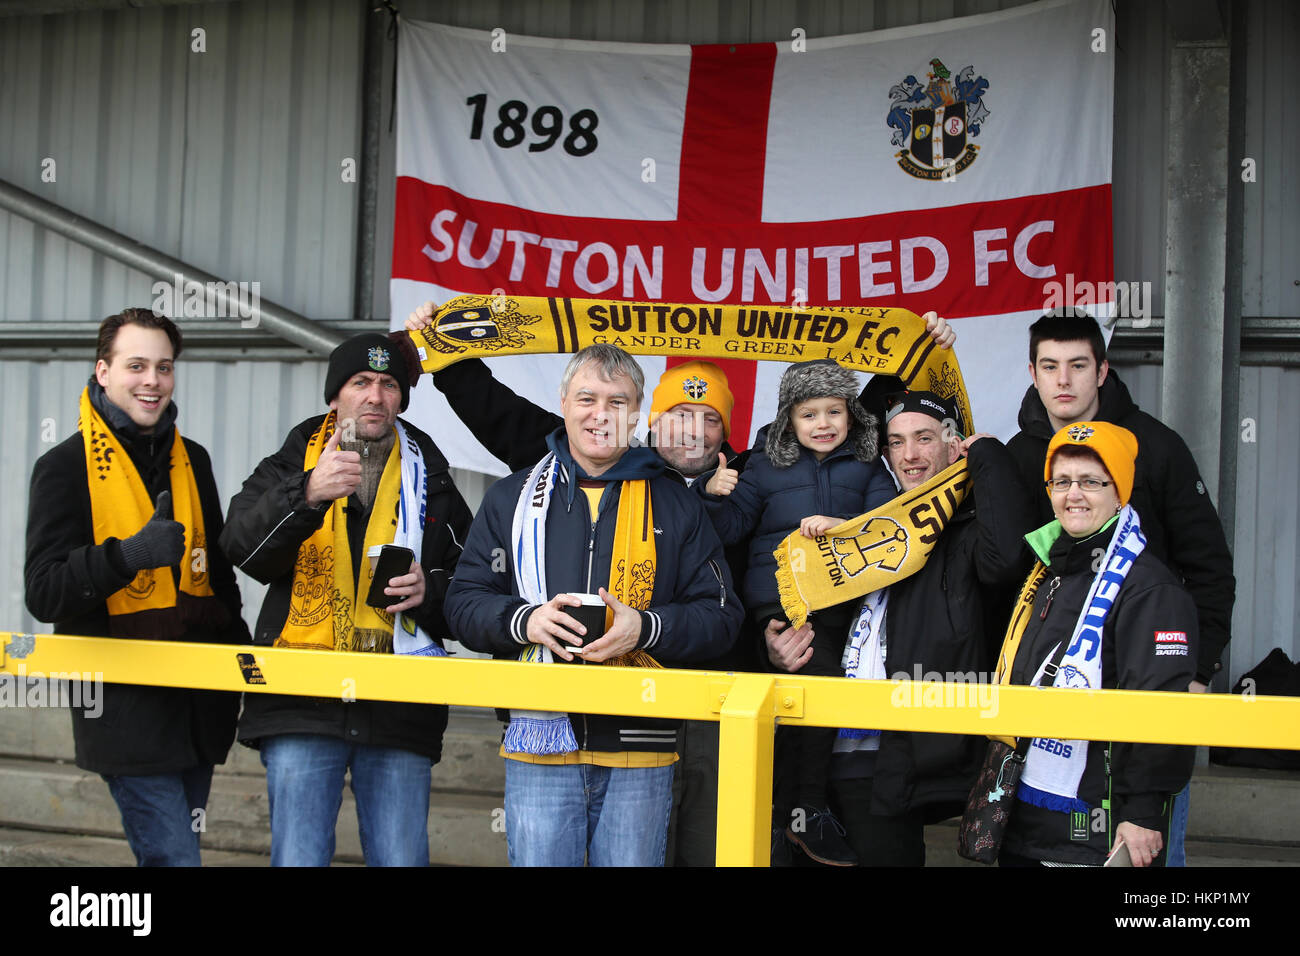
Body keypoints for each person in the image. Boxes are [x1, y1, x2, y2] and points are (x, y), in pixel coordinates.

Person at [406, 302, 748, 867]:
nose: (600, 415)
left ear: (637, 415)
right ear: (563, 405)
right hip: (538, 741)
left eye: (618, 402)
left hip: (644, 745)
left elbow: (721, 616)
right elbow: (464, 602)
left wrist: (646, 628)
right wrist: (525, 620)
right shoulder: (511, 497)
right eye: (587, 399)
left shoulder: (678, 505)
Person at [219, 333, 472, 866]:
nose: (375, 396)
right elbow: (241, 548)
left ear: (401, 397)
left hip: (400, 703)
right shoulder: (291, 463)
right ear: (334, 397)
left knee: (401, 859)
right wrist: (306, 494)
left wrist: (431, 591)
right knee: (300, 858)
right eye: (361, 382)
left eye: (388, 384)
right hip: (300, 701)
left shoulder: (432, 474)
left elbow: (473, 587)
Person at [767, 388, 1036, 865]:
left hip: (891, 757)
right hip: (819, 749)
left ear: (954, 447)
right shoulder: (865, 522)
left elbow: (1007, 560)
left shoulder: (967, 534)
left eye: (925, 438)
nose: (910, 455)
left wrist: (989, 456)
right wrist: (778, 646)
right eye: (896, 441)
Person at [1006, 308, 1235, 863]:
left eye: (1078, 365)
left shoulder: (1157, 446)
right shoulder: (1016, 454)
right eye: (1050, 366)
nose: (1064, 381)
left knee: (1143, 842)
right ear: (1032, 372)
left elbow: (1209, 567)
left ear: (1102, 371)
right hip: (1044, 723)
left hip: (1144, 689)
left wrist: (1199, 670)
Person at [25, 308, 247, 866]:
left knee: (175, 855)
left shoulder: (192, 460)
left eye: (164, 367)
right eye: (136, 365)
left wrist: (244, 668)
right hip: (124, 713)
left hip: (199, 709)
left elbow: (219, 582)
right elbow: (44, 591)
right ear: (103, 371)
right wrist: (127, 558)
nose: (153, 380)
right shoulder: (63, 466)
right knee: (175, 858)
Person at [700, 359, 896, 866]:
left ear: (852, 413)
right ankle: (803, 810)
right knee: (818, 684)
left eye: (835, 410)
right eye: (810, 414)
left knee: (810, 699)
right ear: (790, 417)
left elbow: (890, 525)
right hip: (781, 600)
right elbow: (729, 532)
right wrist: (713, 496)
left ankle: (783, 814)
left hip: (843, 603)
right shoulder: (764, 463)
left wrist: (845, 525)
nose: (824, 424)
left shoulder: (870, 462)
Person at [997, 421, 1196, 867]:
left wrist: (1143, 812)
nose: (1074, 494)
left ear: (1119, 491)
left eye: (1091, 482)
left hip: (1098, 829)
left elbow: (1162, 706)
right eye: (1062, 481)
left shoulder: (1149, 588)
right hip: (1029, 817)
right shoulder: (1050, 572)